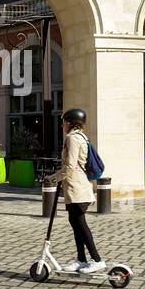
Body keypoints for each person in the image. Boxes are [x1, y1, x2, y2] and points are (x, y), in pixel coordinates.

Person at [45, 108, 105, 273]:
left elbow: (70, 166)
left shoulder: (72, 139)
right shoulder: (81, 137)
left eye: (64, 121)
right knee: (76, 224)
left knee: (81, 224)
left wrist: (53, 177)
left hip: (77, 189)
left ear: (70, 122)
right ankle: (81, 260)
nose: (62, 125)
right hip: (77, 188)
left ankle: (97, 260)